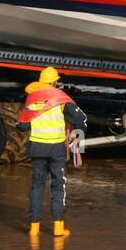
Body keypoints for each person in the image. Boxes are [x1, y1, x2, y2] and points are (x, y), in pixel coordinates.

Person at [22, 67, 87, 237]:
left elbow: (21, 125)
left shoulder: (32, 99)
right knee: (58, 186)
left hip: (36, 148)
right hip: (57, 150)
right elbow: (80, 119)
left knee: (37, 186)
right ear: (54, 82)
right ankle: (58, 227)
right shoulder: (61, 99)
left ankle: (34, 228)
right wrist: (78, 138)